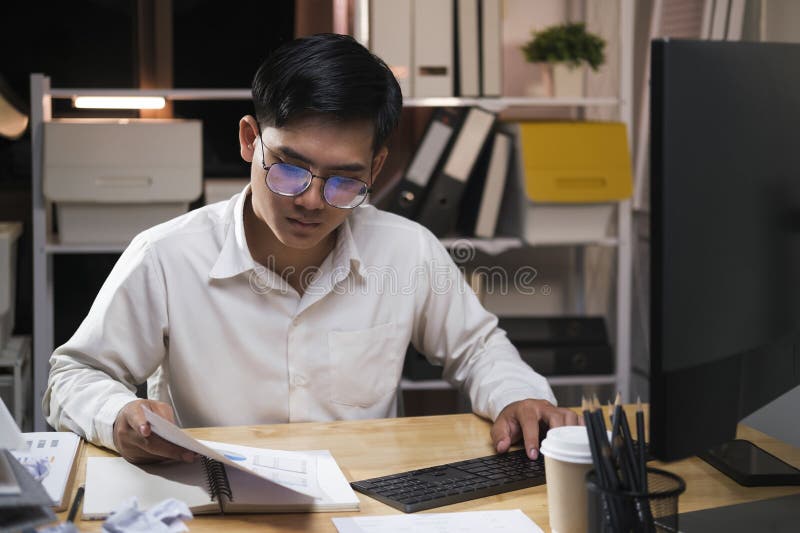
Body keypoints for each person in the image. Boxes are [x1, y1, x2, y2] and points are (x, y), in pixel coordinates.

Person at [44, 33, 578, 465]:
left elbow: (478, 348)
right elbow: (73, 375)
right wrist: (118, 414)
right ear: (250, 139)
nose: (311, 201)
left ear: (376, 168)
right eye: (290, 169)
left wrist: (517, 395)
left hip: (365, 501)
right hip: (215, 497)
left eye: (344, 180)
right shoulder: (167, 256)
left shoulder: (406, 250)